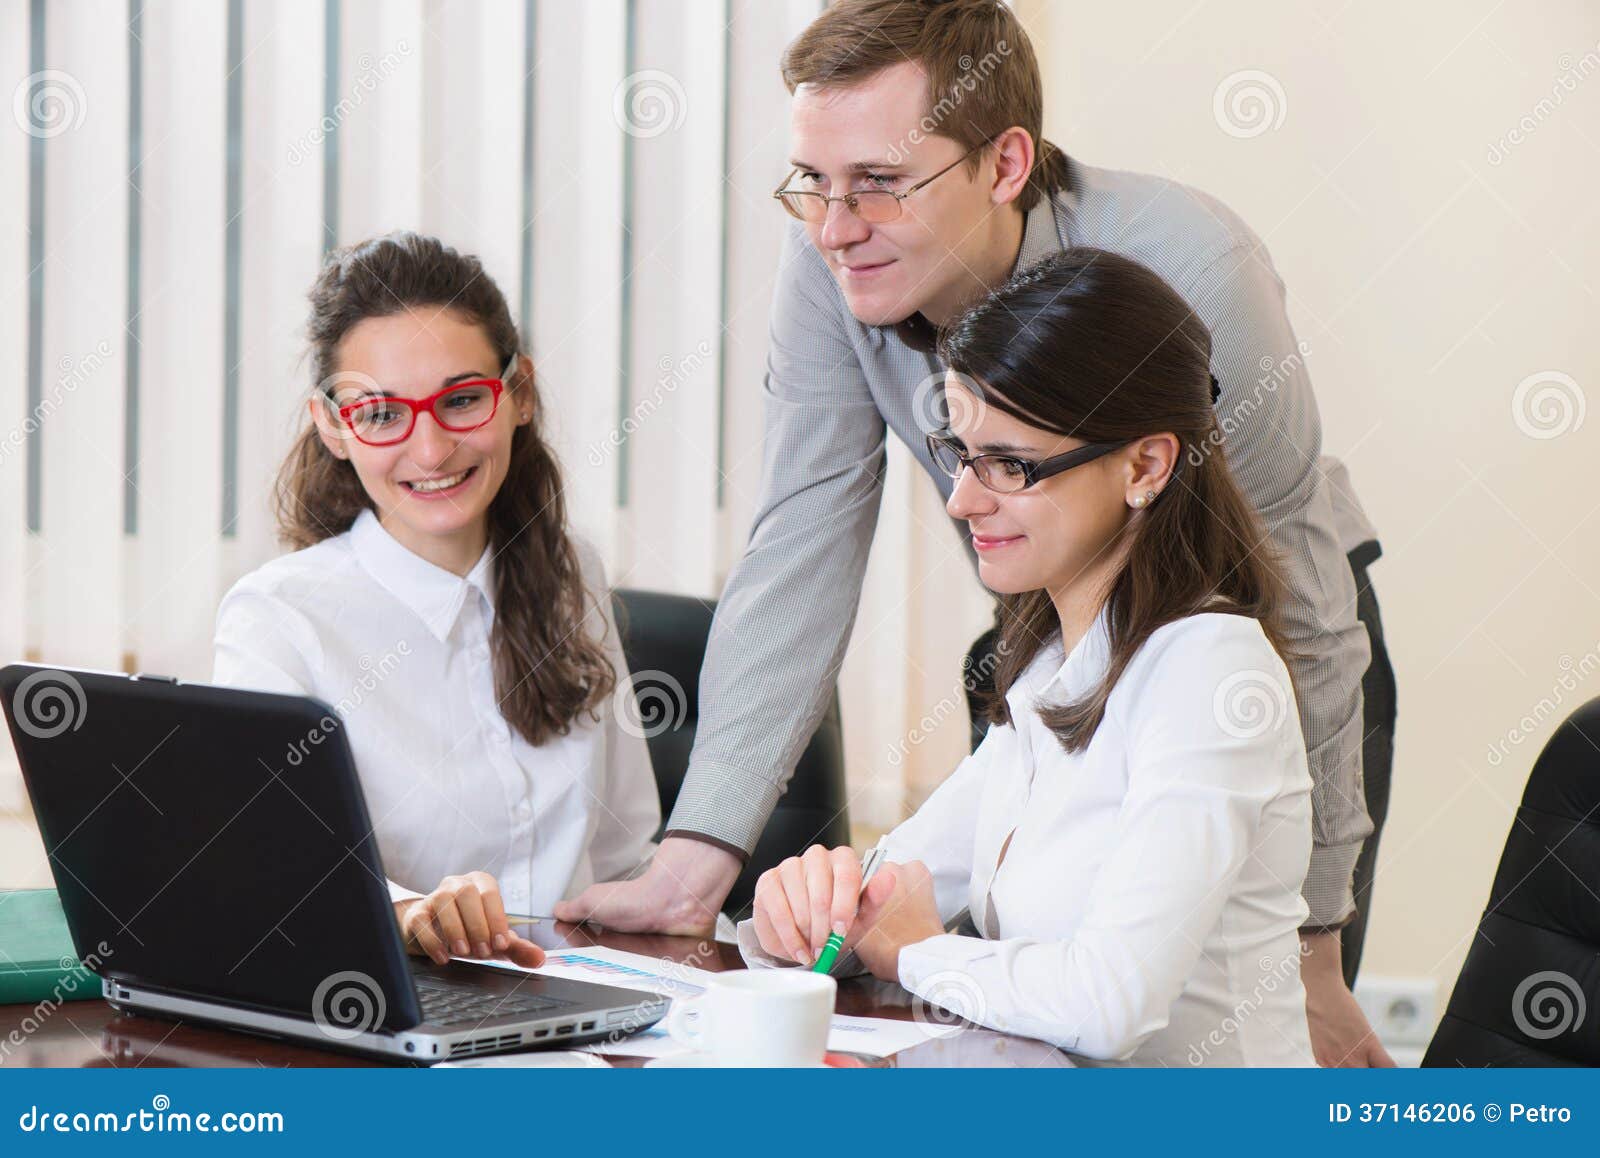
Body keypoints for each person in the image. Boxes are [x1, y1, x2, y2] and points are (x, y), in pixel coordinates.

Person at [555, 0, 1394, 1067]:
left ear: (1004, 163)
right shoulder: (837, 260)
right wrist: (703, 860)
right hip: (1060, 631)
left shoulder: (1192, 267)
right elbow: (800, 547)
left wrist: (1310, 953)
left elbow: (1301, 614)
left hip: (1270, 628)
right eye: (812, 181)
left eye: (878, 181)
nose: (833, 227)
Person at [745, 249, 1315, 1065]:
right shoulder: (1053, 664)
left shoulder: (1211, 671)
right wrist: (804, 913)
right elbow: (884, 898)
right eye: (961, 454)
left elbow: (1110, 1002)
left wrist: (915, 953)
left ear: (1146, 465)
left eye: (1009, 465)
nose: (962, 500)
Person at [212, 232, 660, 972]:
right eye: (381, 413)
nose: (430, 450)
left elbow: (626, 859)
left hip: (588, 1005)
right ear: (333, 425)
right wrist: (408, 913)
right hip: (398, 1007)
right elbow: (279, 875)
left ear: (519, 395)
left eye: (461, 400)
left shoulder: (572, 571)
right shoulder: (277, 617)